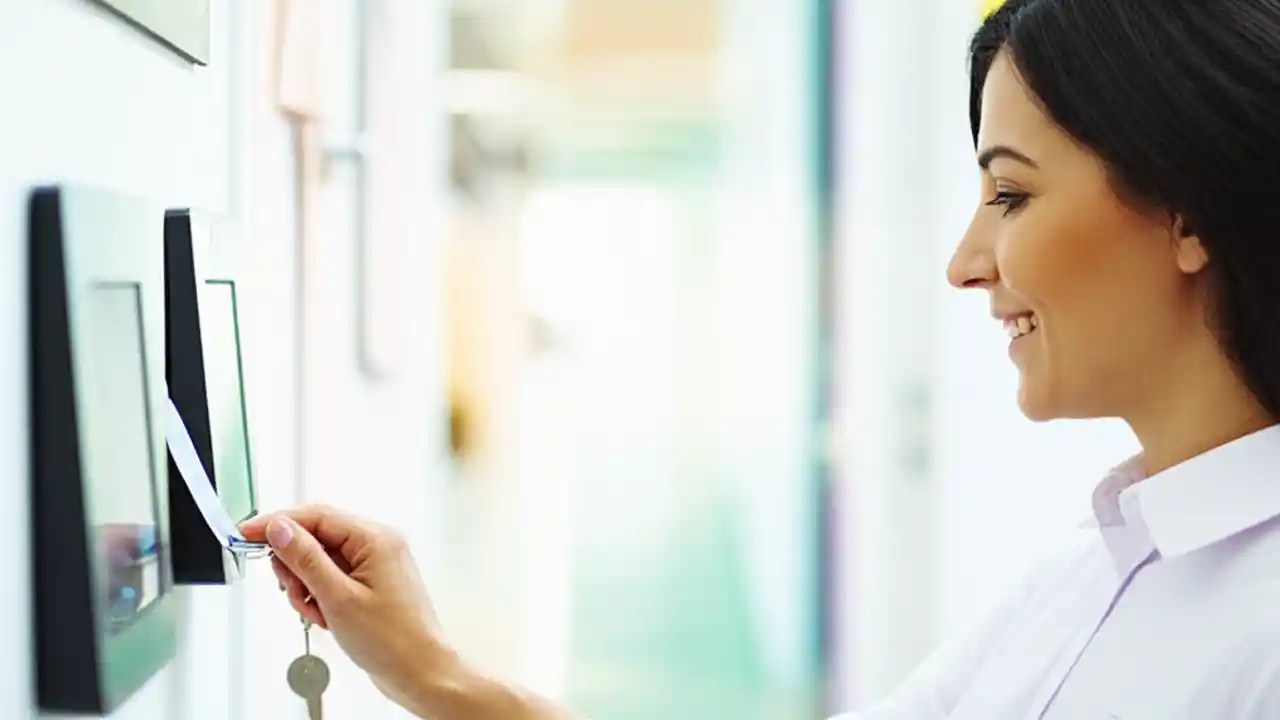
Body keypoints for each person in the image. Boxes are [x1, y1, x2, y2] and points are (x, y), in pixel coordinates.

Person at [241, 0, 1280, 716]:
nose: (965, 264)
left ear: (1186, 206)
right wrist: (430, 673)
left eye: (1009, 193)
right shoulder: (1094, 572)